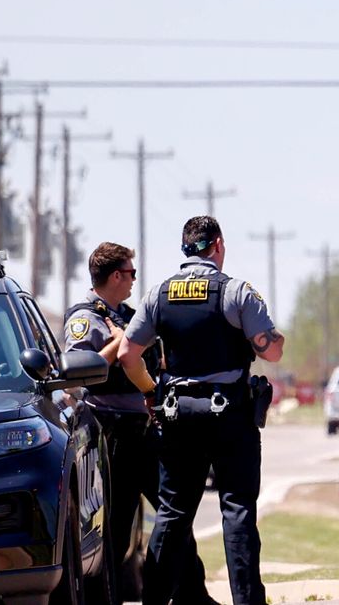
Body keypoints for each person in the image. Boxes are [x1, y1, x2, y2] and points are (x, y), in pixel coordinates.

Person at [119, 217, 285, 605]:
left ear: (185, 248)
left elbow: (128, 355)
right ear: (219, 245)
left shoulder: (158, 294)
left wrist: (150, 392)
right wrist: (274, 337)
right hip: (229, 416)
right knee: (238, 510)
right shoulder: (235, 292)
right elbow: (271, 351)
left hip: (177, 417)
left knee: (173, 513)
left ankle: (155, 599)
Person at [63, 243, 219, 604]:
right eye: (130, 272)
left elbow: (154, 361)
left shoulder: (129, 315)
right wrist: (116, 347)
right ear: (116, 275)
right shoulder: (84, 319)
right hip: (110, 434)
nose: (134, 279)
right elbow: (76, 375)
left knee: (174, 512)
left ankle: (192, 594)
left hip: (145, 429)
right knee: (115, 529)